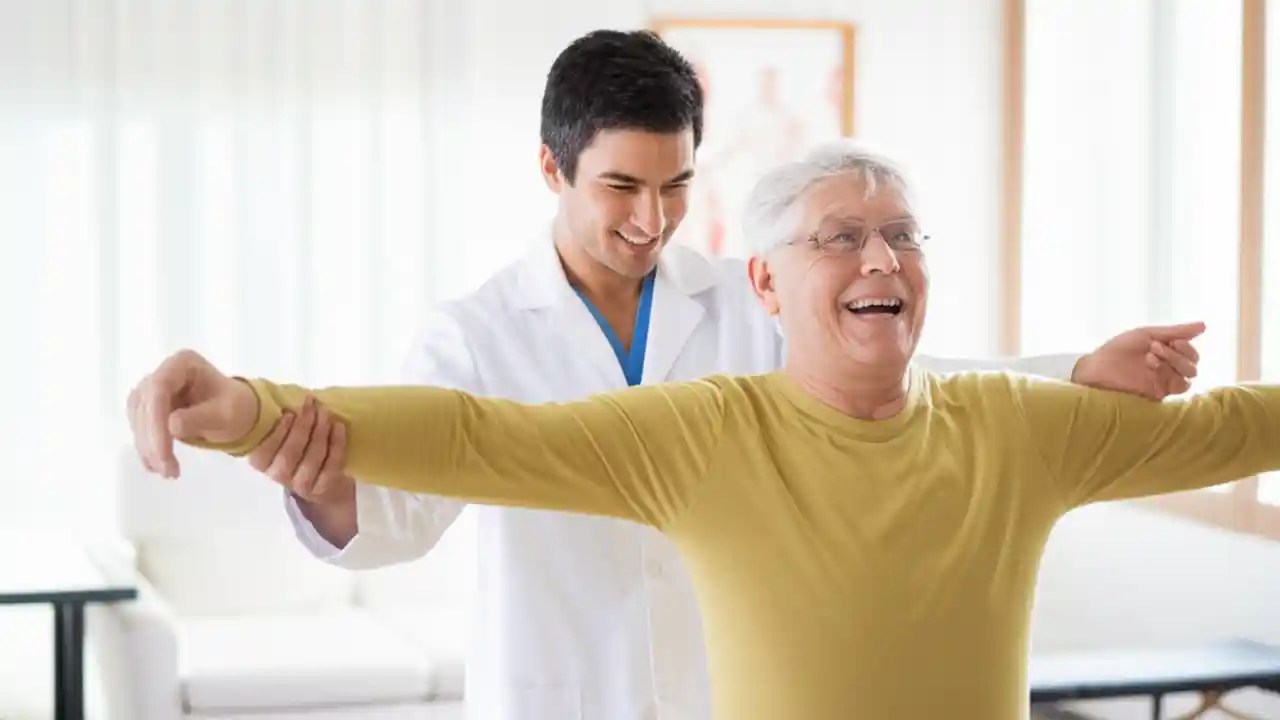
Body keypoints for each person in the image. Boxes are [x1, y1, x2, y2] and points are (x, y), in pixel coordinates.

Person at [223, 30, 1204, 720]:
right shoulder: (475, 331)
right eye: (620, 188)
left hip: (718, 692)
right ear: (550, 169)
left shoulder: (745, 299)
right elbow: (403, 509)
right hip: (564, 692)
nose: (651, 221)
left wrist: (1075, 367)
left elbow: (911, 374)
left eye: (675, 186)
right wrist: (329, 485)